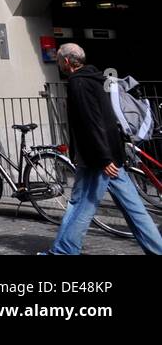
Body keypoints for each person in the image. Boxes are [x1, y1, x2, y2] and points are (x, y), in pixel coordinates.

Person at [48, 43, 162, 255]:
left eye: (58, 61)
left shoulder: (78, 82)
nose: (58, 64)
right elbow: (106, 120)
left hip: (97, 158)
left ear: (66, 61)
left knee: (81, 205)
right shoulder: (98, 79)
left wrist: (103, 158)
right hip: (112, 154)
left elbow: (90, 123)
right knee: (134, 209)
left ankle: (64, 251)